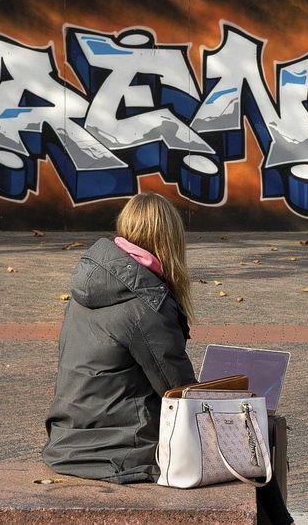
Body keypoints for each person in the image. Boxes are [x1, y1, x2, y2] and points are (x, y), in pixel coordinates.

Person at [43, 192, 293, 525]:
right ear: (170, 239)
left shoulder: (94, 283)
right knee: (253, 434)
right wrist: (235, 399)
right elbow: (180, 392)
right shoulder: (145, 305)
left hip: (69, 439)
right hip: (118, 450)